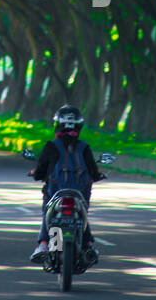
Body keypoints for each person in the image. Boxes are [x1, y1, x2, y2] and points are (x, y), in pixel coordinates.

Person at [28, 104, 105, 263]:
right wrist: (99, 176)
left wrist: (36, 174)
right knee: (82, 214)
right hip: (79, 193)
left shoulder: (51, 146)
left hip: (55, 192)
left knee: (48, 214)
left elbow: (41, 169)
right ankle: (88, 244)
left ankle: (43, 244)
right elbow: (93, 171)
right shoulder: (84, 148)